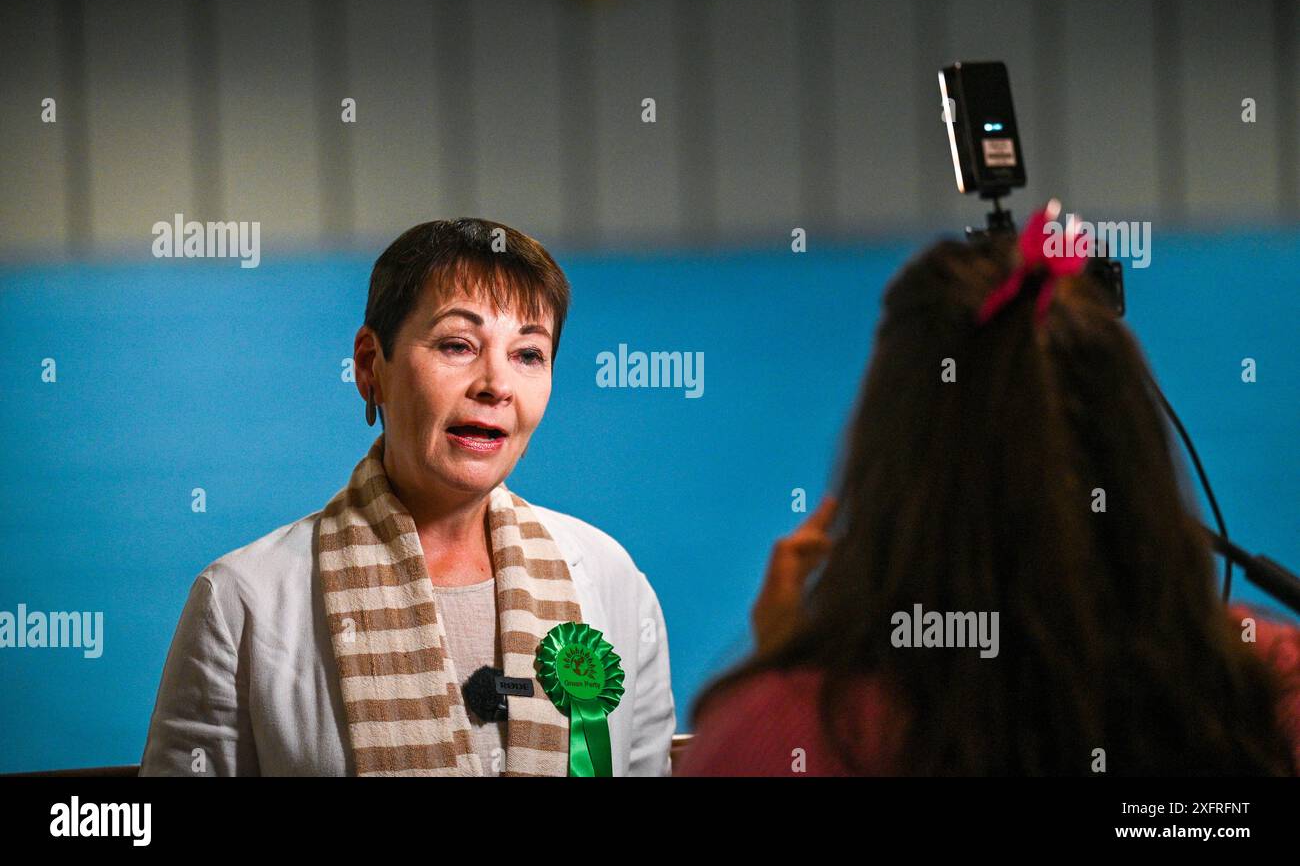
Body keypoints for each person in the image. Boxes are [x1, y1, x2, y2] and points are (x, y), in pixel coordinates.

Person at [677, 203, 1300, 776]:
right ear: (1136, 453)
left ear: (889, 464)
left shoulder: (779, 736)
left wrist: (790, 675)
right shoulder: (1271, 686)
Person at [140, 219, 676, 776]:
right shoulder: (241, 601)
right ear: (371, 364)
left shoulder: (614, 581)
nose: (495, 383)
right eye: (457, 345)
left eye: (528, 354)